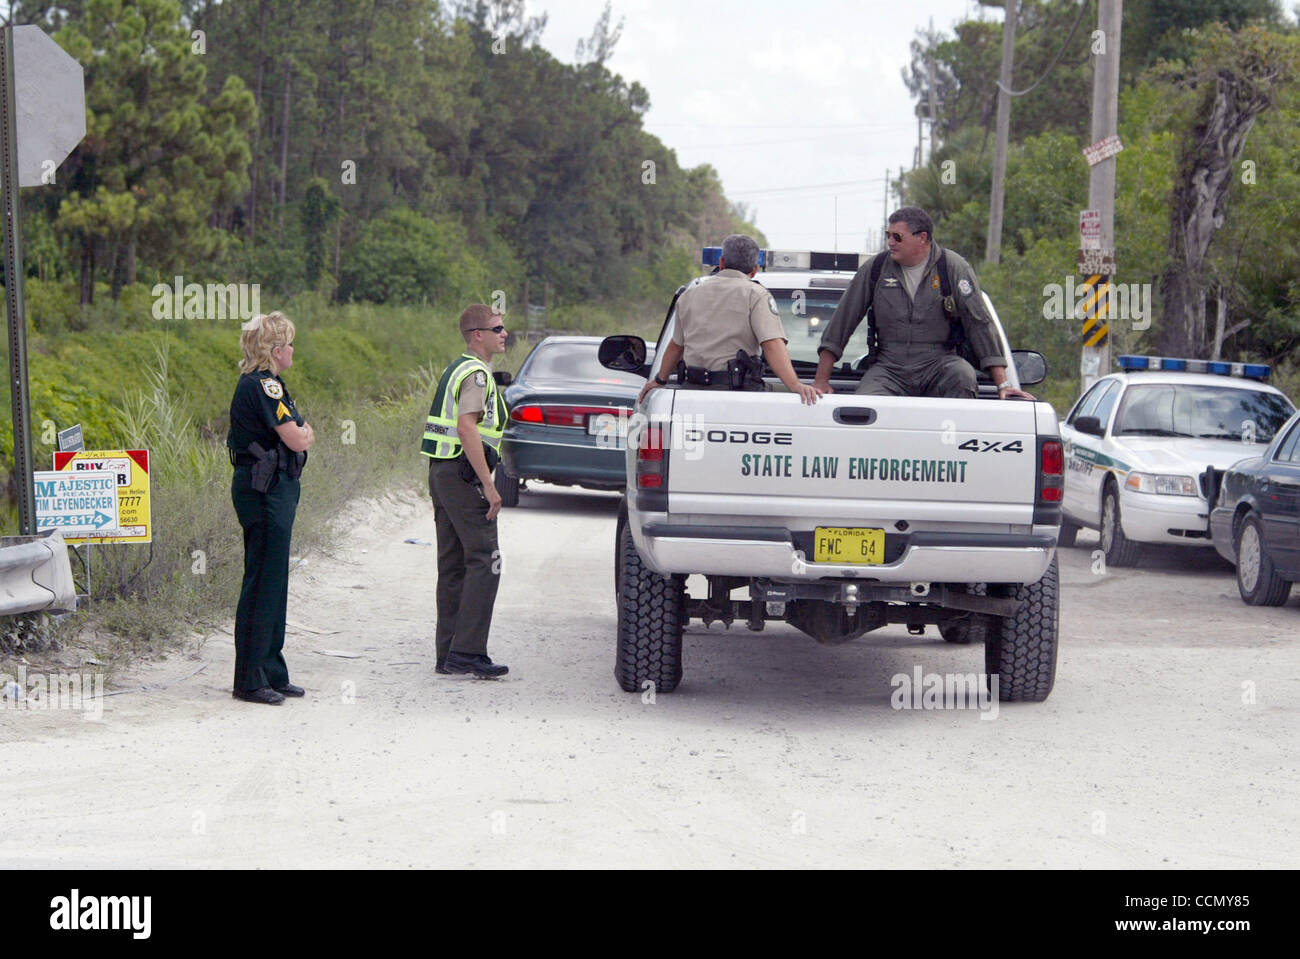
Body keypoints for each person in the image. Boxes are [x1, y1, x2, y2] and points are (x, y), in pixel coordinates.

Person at [812, 207, 1035, 400]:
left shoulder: (952, 267)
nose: (890, 242)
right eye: (888, 235)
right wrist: (822, 379)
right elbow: (843, 321)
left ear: (922, 238)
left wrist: (1003, 385)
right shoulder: (876, 268)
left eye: (897, 237)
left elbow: (980, 325)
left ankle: (952, 446)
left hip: (939, 364)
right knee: (867, 405)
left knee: (962, 375)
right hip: (889, 368)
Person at [228, 311, 315, 706]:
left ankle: (272, 671)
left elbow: (297, 434)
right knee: (262, 582)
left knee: (275, 581)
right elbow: (297, 437)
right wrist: (305, 433)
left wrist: (301, 433)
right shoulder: (262, 386)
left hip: (277, 488)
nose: (293, 350)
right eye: (289, 344)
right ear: (276, 350)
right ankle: (249, 679)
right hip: (263, 491)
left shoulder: (272, 384)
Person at [420, 304, 511, 679]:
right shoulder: (475, 373)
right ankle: (469, 653)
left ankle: (449, 654)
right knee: (485, 560)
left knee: (454, 562)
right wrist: (490, 487)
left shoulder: (456, 367)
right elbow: (467, 427)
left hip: (443, 473)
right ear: (478, 335)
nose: (504, 334)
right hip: (462, 475)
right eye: (498, 328)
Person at [639, 233, 822, 405]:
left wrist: (660, 380)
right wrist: (794, 385)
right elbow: (772, 344)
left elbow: (676, 345)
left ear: (722, 262)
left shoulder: (690, 294)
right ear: (755, 270)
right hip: (739, 395)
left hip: (692, 391)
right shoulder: (755, 295)